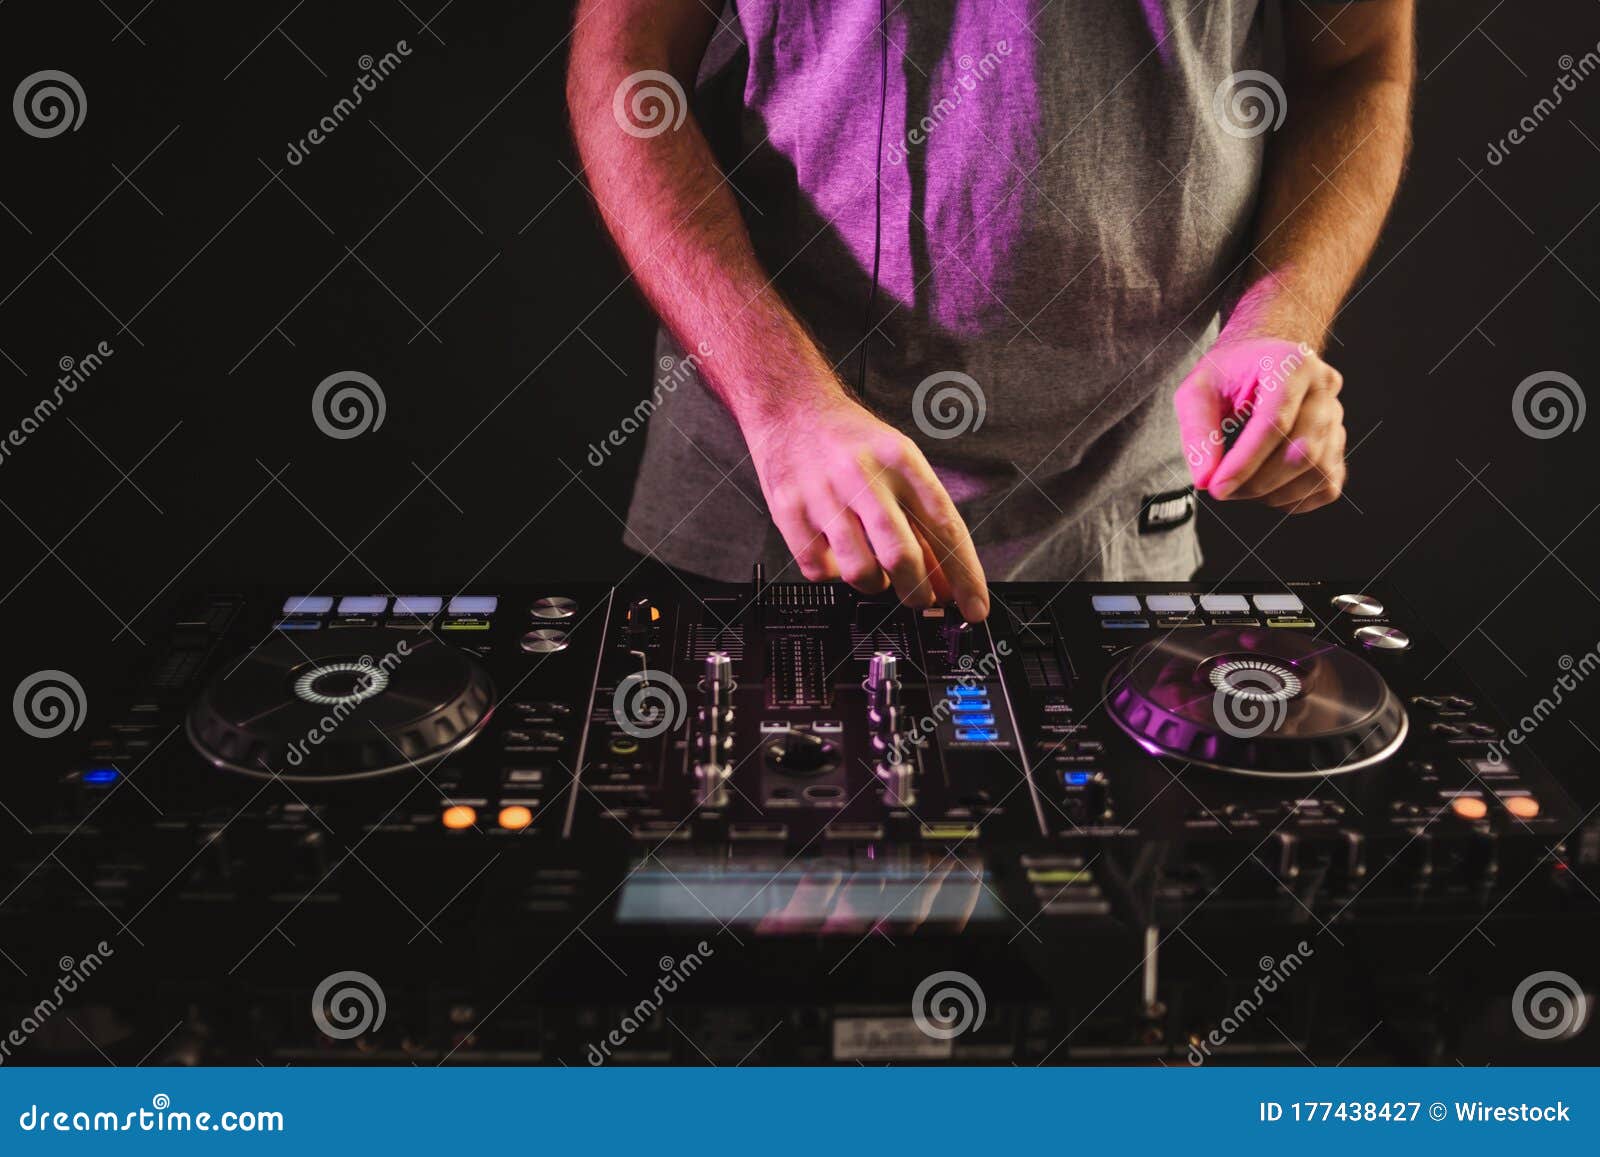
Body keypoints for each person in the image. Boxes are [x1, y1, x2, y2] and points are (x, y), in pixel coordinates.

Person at [567, 1, 1414, 623]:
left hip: (1123, 513)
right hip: (776, 507)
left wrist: (1277, 318)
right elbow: (625, 65)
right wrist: (782, 403)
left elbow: (1357, 63)